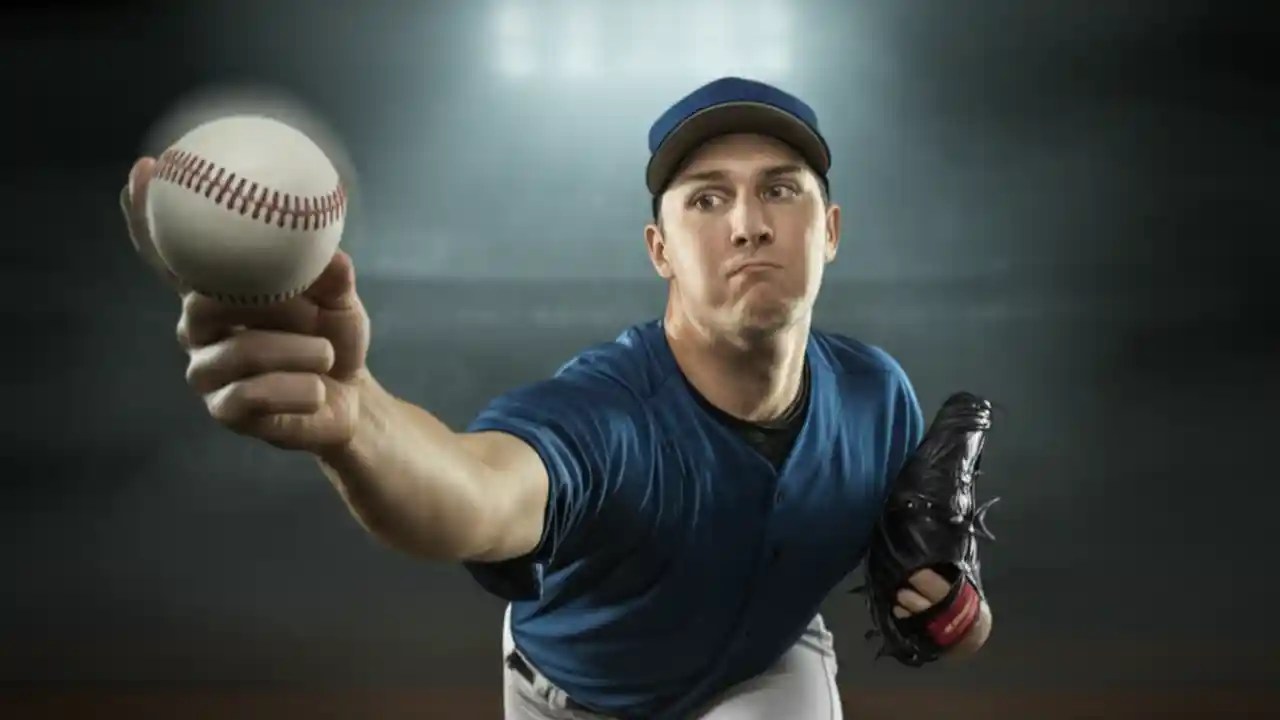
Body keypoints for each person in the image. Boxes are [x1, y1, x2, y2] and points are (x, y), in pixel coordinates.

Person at [120, 76, 993, 719]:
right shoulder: (607, 415)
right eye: (706, 199)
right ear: (660, 249)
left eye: (780, 189)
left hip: (764, 671)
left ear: (828, 230)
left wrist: (956, 609)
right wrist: (356, 423)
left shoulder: (877, 396)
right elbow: (477, 493)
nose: (748, 224)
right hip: (575, 698)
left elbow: (937, 592)